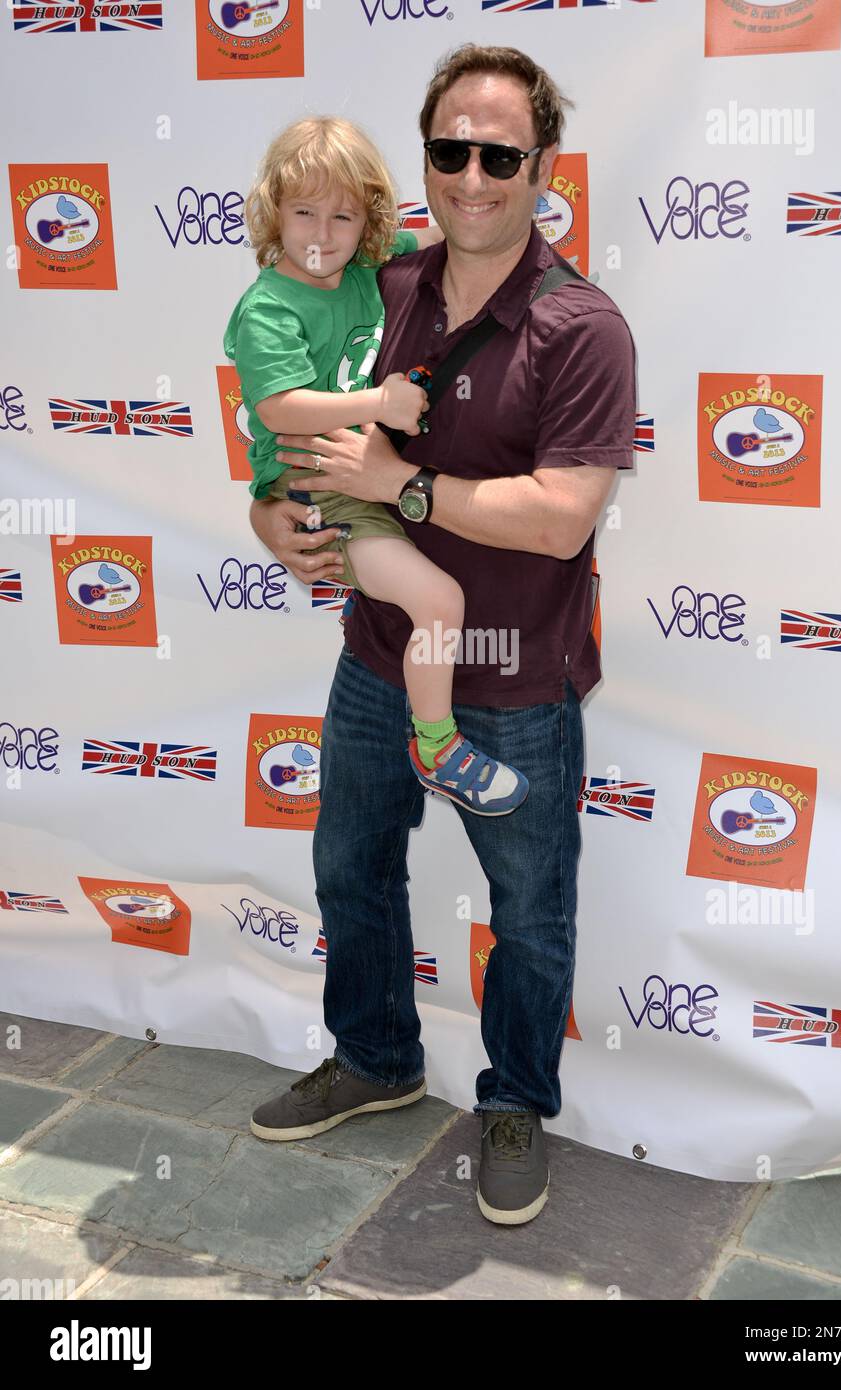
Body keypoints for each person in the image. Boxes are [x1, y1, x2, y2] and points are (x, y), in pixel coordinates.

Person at [248, 45, 637, 1227]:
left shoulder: (582, 327)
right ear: (423, 158)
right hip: (376, 659)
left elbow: (564, 518)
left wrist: (402, 484)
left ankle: (514, 1099)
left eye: (500, 154)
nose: (473, 175)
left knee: (530, 909)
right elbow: (292, 432)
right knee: (347, 869)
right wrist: (269, 514)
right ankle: (374, 1056)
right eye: (449, 149)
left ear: (543, 166)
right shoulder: (381, 288)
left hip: (517, 683)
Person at [223, 116, 530, 815]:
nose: (323, 235)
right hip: (323, 488)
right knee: (441, 601)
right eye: (303, 213)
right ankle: (437, 747)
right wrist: (381, 401)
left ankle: (430, 737)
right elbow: (277, 408)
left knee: (443, 595)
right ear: (274, 212)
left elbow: (450, 247)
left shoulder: (368, 266)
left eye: (343, 216)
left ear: (367, 223)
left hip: (369, 475)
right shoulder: (268, 307)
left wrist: (536, 288)